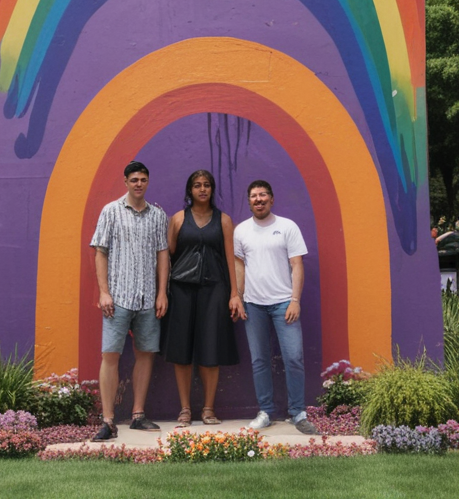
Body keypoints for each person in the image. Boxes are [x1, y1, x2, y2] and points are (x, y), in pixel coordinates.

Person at [90, 160, 169, 441]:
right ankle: (108, 421)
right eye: (134, 179)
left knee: (146, 354)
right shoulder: (110, 211)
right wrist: (103, 291)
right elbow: (100, 252)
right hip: (118, 297)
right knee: (110, 355)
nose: (138, 184)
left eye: (143, 180)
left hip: (148, 297)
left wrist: (162, 293)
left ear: (148, 182)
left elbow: (163, 255)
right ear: (125, 181)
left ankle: (138, 414)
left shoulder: (158, 216)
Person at [162, 170, 246, 426]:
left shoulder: (224, 220)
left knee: (211, 347)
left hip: (215, 290)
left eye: (207, 185)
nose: (202, 189)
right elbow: (168, 255)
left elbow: (231, 259)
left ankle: (208, 408)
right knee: (181, 350)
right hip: (181, 290)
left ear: (212, 189)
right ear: (190, 190)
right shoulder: (177, 219)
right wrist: (163, 293)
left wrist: (234, 293)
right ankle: (185, 409)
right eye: (197, 185)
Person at [234, 180, 318, 434]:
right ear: (249, 201)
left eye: (262, 195)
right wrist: (238, 296)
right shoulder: (241, 231)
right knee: (259, 360)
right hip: (253, 305)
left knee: (293, 358)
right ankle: (266, 411)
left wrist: (295, 300)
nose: (258, 200)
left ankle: (297, 412)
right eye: (253, 196)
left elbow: (297, 265)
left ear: (271, 199)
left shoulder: (287, 227)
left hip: (284, 304)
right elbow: (239, 266)